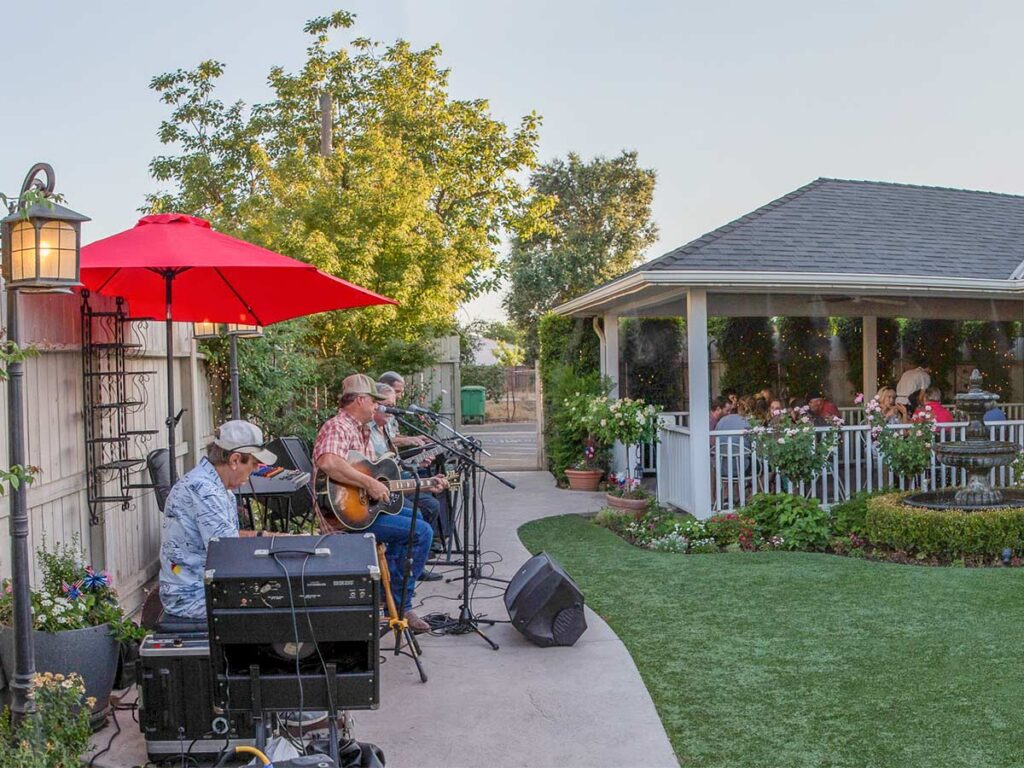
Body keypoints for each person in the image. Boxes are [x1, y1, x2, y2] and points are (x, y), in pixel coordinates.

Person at [313, 373, 443, 632]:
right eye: (373, 401)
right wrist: (369, 483)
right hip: (343, 518)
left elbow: (380, 483)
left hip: (364, 511)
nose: (376, 406)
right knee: (421, 532)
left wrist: (426, 484)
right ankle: (400, 603)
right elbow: (328, 462)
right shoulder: (338, 426)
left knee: (415, 517)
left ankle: (392, 598)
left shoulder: (361, 432)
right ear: (360, 400)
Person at [159, 420, 278, 621]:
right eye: (254, 464)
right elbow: (228, 553)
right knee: (278, 606)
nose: (256, 470)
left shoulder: (215, 485)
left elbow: (224, 539)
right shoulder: (204, 490)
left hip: (200, 586)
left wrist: (266, 537)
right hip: (192, 596)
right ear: (234, 460)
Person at [370, 382, 443, 581]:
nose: (392, 411)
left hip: (388, 487)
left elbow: (393, 466)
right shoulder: (367, 430)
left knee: (419, 513)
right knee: (424, 514)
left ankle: (402, 573)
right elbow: (375, 471)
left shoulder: (382, 429)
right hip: (371, 499)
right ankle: (402, 580)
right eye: (388, 406)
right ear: (374, 404)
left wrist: (418, 468)